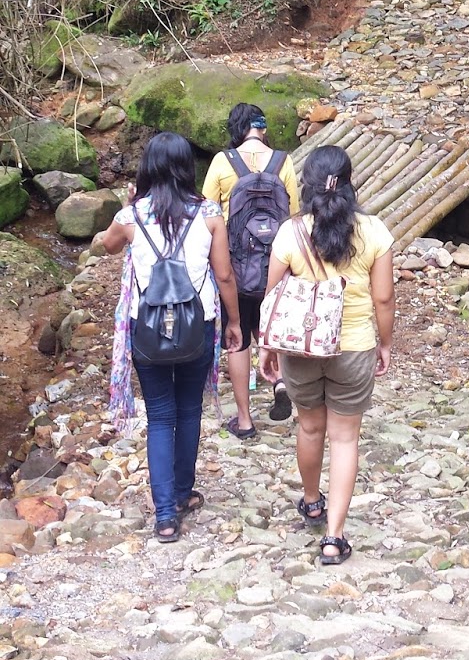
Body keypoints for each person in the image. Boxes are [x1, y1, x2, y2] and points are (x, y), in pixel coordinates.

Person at [101, 131, 242, 542]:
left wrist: (127, 207)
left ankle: (165, 516)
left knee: (160, 417)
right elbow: (225, 275)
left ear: (147, 168)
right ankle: (181, 494)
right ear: (186, 167)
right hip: (197, 326)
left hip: (146, 329)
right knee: (188, 411)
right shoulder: (210, 213)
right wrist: (234, 322)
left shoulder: (131, 217)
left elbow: (107, 246)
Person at [259, 143, 394, 565]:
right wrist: (385, 342)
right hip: (354, 347)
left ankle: (312, 501)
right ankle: (334, 537)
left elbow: (273, 296)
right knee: (345, 438)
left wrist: (267, 346)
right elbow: (384, 298)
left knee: (310, 427)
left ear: (307, 184)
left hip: (302, 347)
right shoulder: (374, 232)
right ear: (350, 182)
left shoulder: (291, 231)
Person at [202, 103, 300, 438]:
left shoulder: (221, 162)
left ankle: (244, 420)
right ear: (263, 128)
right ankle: (282, 382)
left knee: (238, 336)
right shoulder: (283, 161)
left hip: (236, 267)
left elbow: (206, 215)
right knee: (272, 330)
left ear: (236, 128)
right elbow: (294, 219)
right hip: (276, 265)